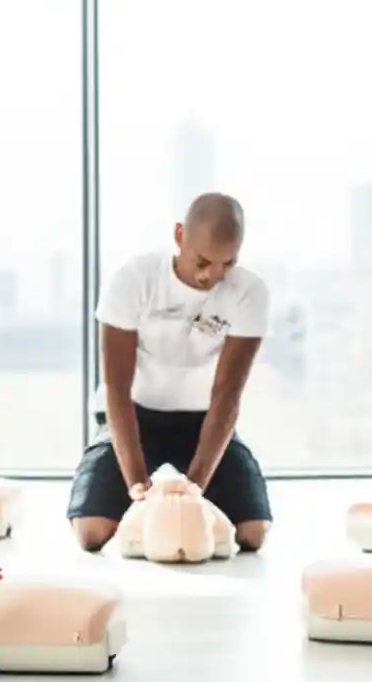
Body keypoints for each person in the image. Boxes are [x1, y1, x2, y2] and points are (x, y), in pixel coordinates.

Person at [67, 192, 272, 552]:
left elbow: (227, 395)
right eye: (204, 261)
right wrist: (137, 488)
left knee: (253, 534)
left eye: (228, 263)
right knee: (91, 533)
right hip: (136, 413)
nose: (213, 275)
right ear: (180, 236)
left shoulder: (250, 292)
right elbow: (117, 388)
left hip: (203, 420)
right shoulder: (134, 280)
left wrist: (194, 490)